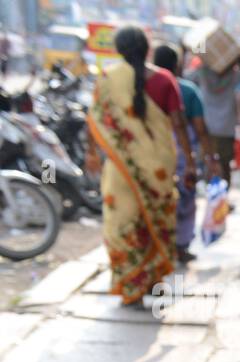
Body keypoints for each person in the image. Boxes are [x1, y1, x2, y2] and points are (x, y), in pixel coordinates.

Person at [87, 26, 194, 307]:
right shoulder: (165, 79)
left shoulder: (108, 79)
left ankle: (129, 285)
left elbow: (95, 121)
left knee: (122, 224)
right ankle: (152, 283)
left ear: (119, 50)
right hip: (158, 167)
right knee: (155, 221)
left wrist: (92, 155)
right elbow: (179, 125)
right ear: (147, 48)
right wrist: (191, 162)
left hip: (121, 169)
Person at [152, 43, 221, 264]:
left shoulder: (146, 87)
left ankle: (158, 247)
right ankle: (180, 247)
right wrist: (210, 158)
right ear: (178, 64)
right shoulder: (188, 91)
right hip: (183, 158)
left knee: (157, 199)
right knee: (185, 200)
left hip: (152, 155)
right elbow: (200, 129)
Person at [192, 54, 240, 183]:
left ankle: (211, 194)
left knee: (208, 162)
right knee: (225, 164)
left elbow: (188, 78)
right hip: (226, 128)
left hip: (206, 127)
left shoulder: (202, 72)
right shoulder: (236, 75)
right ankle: (223, 197)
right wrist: (237, 58)